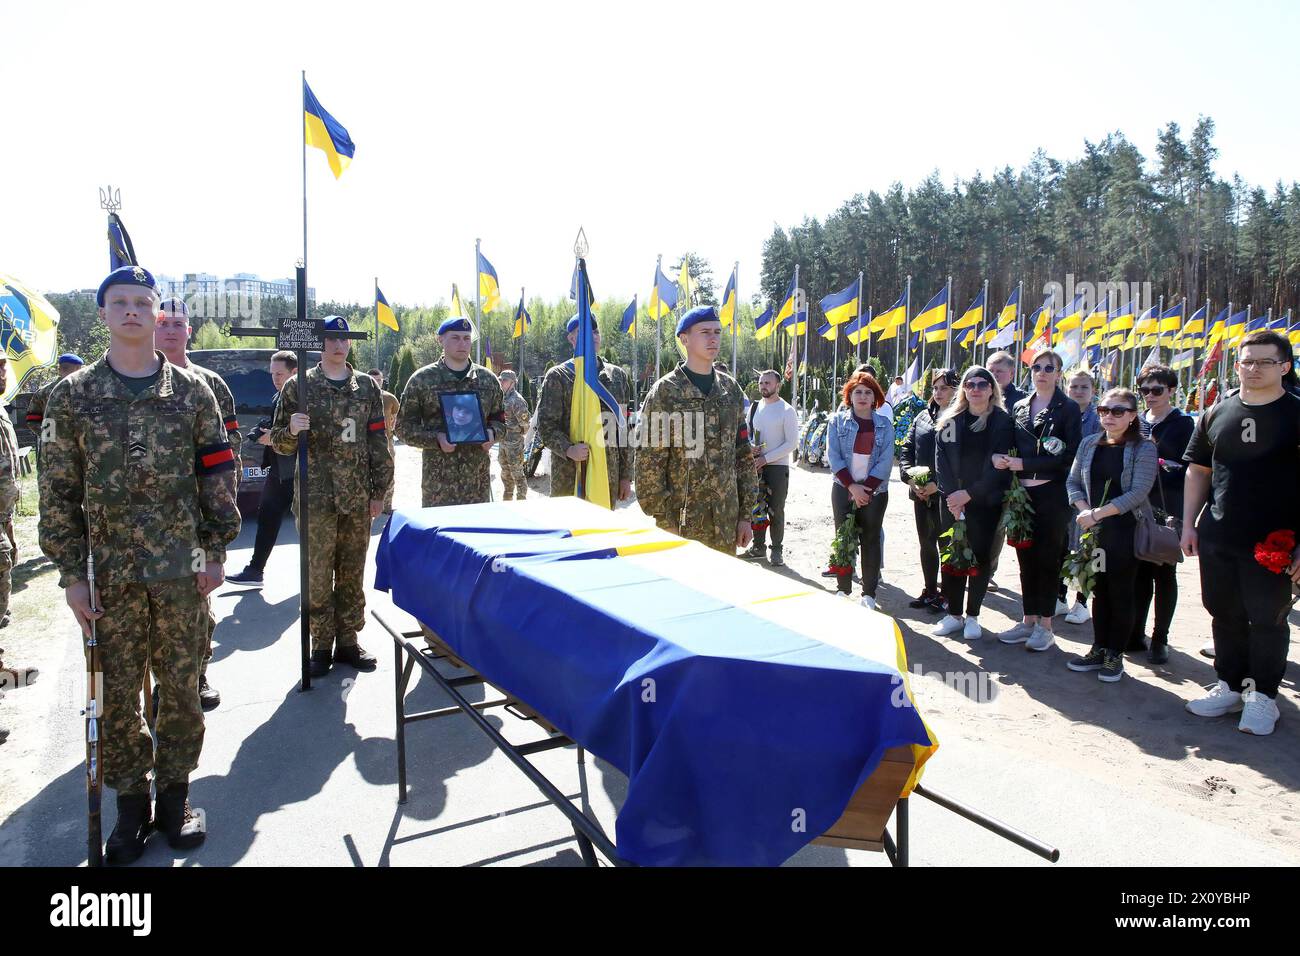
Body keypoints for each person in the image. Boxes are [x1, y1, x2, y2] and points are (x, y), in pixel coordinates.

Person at [39, 264, 240, 863]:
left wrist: (216, 551)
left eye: (142, 302)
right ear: (102, 315)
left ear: (157, 315)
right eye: (119, 302)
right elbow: (57, 492)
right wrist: (73, 575)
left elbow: (216, 477)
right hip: (109, 577)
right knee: (116, 694)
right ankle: (130, 809)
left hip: (182, 573)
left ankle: (175, 802)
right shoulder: (72, 397)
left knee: (179, 688)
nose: (131, 310)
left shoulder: (191, 393)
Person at [1182, 330, 1300, 736]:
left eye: (1264, 362)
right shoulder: (1217, 412)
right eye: (1246, 361)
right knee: (1223, 613)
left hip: (1275, 541)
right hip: (1219, 535)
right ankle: (1230, 685)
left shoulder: (1296, 414)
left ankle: (1263, 696)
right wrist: (1188, 524)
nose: (1253, 369)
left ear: (1284, 366)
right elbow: (1199, 471)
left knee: (1267, 619)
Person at [270, 316, 394, 679]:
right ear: (319, 344)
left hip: (356, 498)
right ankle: (321, 644)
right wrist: (292, 429)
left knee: (353, 572)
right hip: (316, 498)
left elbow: (378, 443)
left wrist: (378, 493)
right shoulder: (299, 387)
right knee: (318, 575)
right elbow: (278, 440)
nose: (338, 346)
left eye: (344, 340)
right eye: (331, 339)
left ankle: (348, 642)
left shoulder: (367, 389)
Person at [155, 298, 241, 710]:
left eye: (179, 323)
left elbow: (229, 449)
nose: (171, 330)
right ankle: (153, 686)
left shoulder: (208, 384)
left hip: (193, 518)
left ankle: (197, 675)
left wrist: (222, 509)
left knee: (195, 604)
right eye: (164, 322)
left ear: (189, 330)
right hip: (142, 520)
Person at [637, 306, 758, 553]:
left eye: (717, 332)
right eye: (704, 332)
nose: (713, 338)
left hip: (726, 523)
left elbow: (742, 455)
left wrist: (746, 515)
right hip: (683, 525)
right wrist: (664, 520)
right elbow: (649, 463)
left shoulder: (730, 390)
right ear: (685, 339)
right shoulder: (665, 392)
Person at [1065, 388, 1158, 683]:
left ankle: (1115, 653)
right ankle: (1098, 648)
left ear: (1132, 415)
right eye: (1104, 410)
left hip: (1124, 531)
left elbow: (1138, 492)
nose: (1110, 416)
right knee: (1098, 589)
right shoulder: (1089, 443)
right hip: (1093, 531)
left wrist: (1097, 514)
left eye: (1118, 411)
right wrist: (1084, 511)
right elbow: (1073, 481)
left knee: (1121, 592)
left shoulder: (1144, 448)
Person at [994, 347, 1082, 652]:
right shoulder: (1019, 406)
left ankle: (1046, 625)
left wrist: (1025, 465)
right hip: (1022, 497)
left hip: (1052, 496)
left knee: (1047, 560)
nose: (1042, 373)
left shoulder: (1068, 408)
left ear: (1059, 374)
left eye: (1048, 368)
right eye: (1037, 368)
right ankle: (1028, 619)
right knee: (1025, 559)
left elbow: (1069, 458)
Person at [931, 366, 1014, 640]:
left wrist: (969, 494)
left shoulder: (1002, 422)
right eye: (970, 384)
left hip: (985, 502)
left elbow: (999, 467)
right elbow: (940, 461)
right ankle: (954, 614)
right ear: (964, 389)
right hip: (952, 501)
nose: (976, 389)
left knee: (980, 558)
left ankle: (973, 616)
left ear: (992, 389)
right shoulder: (951, 420)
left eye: (982, 384)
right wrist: (952, 497)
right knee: (952, 557)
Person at [395, 317, 504, 508]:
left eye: (466, 338)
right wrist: (436, 439)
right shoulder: (422, 380)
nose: (462, 343)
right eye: (455, 338)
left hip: (477, 484)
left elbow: (501, 422)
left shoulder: (488, 380)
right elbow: (402, 428)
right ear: (440, 340)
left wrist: (492, 433)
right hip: (438, 486)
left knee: (474, 536)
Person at [1129, 364, 1194, 664]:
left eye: (1157, 390)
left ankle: (1160, 638)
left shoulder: (1182, 424)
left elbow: (1191, 468)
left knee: (1164, 574)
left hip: (1168, 508)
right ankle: (1136, 632)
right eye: (1145, 390)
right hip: (1137, 504)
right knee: (1140, 571)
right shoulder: (1136, 421)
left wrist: (1161, 463)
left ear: (1171, 391)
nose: (1150, 396)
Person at [536, 314, 632, 505]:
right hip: (570, 475)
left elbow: (623, 428)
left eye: (596, 331)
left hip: (607, 474)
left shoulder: (617, 376)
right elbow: (545, 426)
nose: (593, 336)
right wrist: (568, 449)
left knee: (603, 532)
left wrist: (626, 475)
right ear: (571, 339)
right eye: (585, 332)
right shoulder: (559, 376)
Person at [228, 352, 298, 586]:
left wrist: (274, 438)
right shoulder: (278, 397)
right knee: (267, 516)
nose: (275, 378)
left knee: (309, 526)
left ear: (294, 373)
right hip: (280, 470)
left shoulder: (302, 399)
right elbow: (275, 424)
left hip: (298, 471)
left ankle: (319, 577)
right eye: (272, 374)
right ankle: (255, 569)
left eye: (280, 374)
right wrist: (262, 431)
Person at [827, 372, 893, 608]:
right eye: (858, 392)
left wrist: (866, 490)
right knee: (843, 537)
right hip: (844, 488)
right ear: (850, 396)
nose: (863, 396)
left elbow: (886, 460)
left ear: (875, 397)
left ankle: (869, 594)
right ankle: (843, 589)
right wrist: (852, 487)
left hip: (874, 493)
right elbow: (833, 456)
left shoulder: (885, 424)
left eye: (868, 392)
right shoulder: (836, 421)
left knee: (871, 539)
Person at [899, 368, 957, 612]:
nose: (938, 392)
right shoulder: (922, 416)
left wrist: (938, 485)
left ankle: (948, 595)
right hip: (921, 494)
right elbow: (906, 450)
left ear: (956, 390)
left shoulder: (960, 418)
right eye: (935, 388)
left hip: (947, 495)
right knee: (926, 543)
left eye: (944, 387)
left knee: (948, 546)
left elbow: (960, 461)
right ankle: (930, 590)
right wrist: (910, 478)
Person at [742, 369, 799, 566]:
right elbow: (748, 432)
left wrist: (767, 458)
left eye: (768, 383)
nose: (763, 386)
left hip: (777, 467)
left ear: (777, 385)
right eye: (761, 383)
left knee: (776, 509)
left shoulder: (787, 410)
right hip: (756, 466)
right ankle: (758, 547)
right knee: (756, 507)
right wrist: (750, 446)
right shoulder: (755, 407)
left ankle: (777, 550)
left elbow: (792, 443)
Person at [1058, 369, 1100, 623]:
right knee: (1062, 546)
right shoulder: (1063, 415)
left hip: (1086, 492)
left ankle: (1082, 601)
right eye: (1074, 387)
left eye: (1084, 387)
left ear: (1093, 391)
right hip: (1061, 489)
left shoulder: (1097, 419)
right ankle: (1060, 597)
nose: (1078, 391)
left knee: (1083, 547)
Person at [24, 352, 84, 466]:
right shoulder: (44, 392)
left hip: (73, 448)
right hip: (55, 452)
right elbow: (32, 419)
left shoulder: (84, 390)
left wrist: (49, 437)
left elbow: (32, 420)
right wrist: (51, 437)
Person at [368, 369, 400, 513]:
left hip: (386, 443)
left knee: (388, 474)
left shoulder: (389, 398)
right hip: (366, 443)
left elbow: (396, 415)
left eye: (379, 380)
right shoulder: (361, 396)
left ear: (382, 381)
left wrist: (392, 426)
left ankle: (387, 506)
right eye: (373, 379)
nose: (376, 382)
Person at [496, 369, 531, 500]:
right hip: (503, 442)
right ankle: (508, 497)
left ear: (512, 382)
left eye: (504, 380)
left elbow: (525, 423)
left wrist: (518, 434)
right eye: (500, 380)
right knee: (505, 472)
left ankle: (521, 500)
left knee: (517, 474)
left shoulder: (517, 400)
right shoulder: (502, 398)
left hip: (514, 444)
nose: (501, 382)